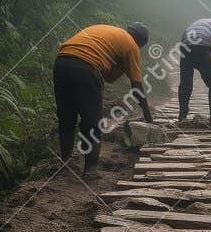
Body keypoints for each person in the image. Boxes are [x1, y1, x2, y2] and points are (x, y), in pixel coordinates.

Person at [54, 21, 150, 175]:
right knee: (92, 122)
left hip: (61, 62)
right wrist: (147, 114)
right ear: (140, 41)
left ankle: (64, 165)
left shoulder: (108, 32)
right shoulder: (132, 45)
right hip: (86, 67)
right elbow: (137, 88)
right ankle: (90, 170)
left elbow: (109, 77)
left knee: (66, 117)